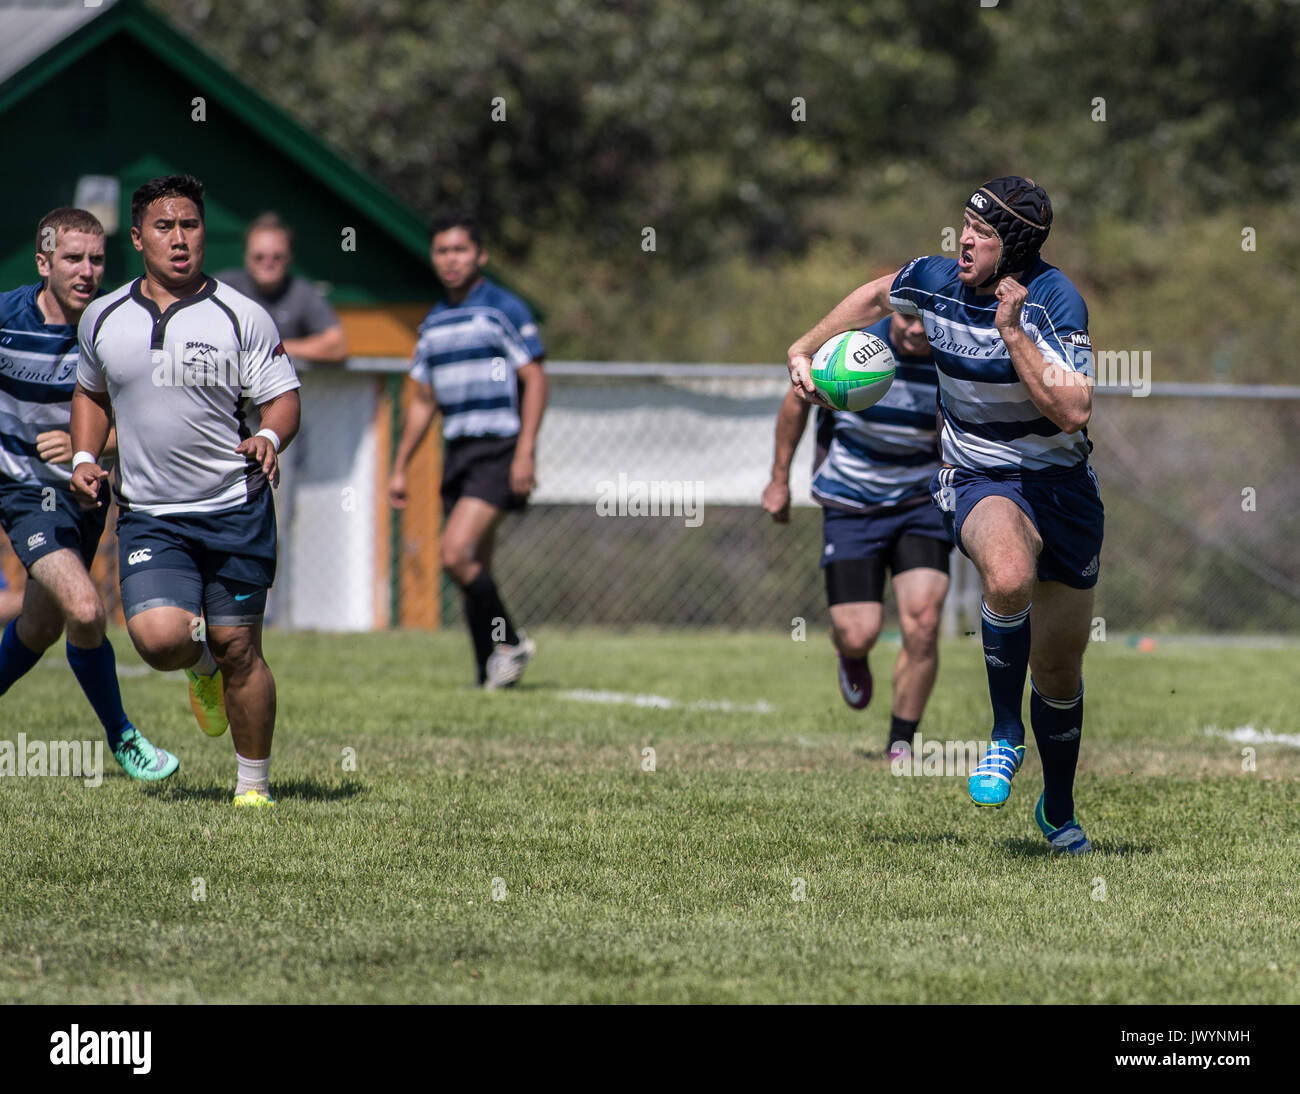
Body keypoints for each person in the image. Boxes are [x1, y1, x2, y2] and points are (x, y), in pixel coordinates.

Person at [787, 176, 1102, 854]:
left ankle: (1058, 807)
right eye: (965, 224)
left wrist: (1012, 332)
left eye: (982, 233)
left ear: (1013, 248)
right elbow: (877, 294)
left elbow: (1074, 410)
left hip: (1064, 490)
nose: (964, 240)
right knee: (1008, 576)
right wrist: (804, 347)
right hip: (980, 477)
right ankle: (1004, 734)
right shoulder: (935, 281)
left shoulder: (1054, 300)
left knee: (1058, 673)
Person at [70, 175, 302, 807]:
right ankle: (200, 670)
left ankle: (252, 788)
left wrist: (269, 438)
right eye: (165, 227)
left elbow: (283, 398)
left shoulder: (241, 315)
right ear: (137, 237)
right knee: (160, 639)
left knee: (239, 646)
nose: (179, 238)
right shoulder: (103, 316)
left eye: (191, 225)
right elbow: (89, 391)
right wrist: (86, 455)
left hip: (234, 508)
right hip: (151, 515)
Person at [0, 208, 178, 780]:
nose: (87, 271)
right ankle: (123, 736)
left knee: (40, 627)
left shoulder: (118, 327)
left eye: (97, 260)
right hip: (26, 493)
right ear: (43, 262)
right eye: (73, 258)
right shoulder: (6, 319)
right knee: (84, 609)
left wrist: (88, 447)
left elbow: (155, 421)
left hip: (88, 495)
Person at [763, 312, 950, 762]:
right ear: (890, 309)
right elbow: (796, 402)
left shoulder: (952, 358)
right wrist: (779, 479)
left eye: (925, 321)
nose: (916, 330)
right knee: (857, 632)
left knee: (924, 621)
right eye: (906, 318)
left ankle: (900, 745)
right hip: (850, 502)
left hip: (919, 503)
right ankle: (851, 653)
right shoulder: (848, 349)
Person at [388, 211, 546, 688]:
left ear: (480, 255)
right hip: (458, 452)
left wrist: (525, 451)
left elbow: (535, 378)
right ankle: (488, 672)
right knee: (475, 564)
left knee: (455, 554)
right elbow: (423, 400)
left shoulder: (502, 309)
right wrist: (400, 465)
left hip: (498, 449)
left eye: (460, 249)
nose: (450, 259)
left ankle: (511, 643)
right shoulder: (434, 322)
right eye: (442, 251)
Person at [217, 213, 348, 626]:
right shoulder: (225, 289)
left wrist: (273, 347)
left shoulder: (302, 295)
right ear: (247, 257)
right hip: (221, 425)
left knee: (272, 517)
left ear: (288, 259)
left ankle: (267, 614)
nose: (268, 264)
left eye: (276, 257)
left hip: (274, 429)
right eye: (260, 256)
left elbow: (336, 343)